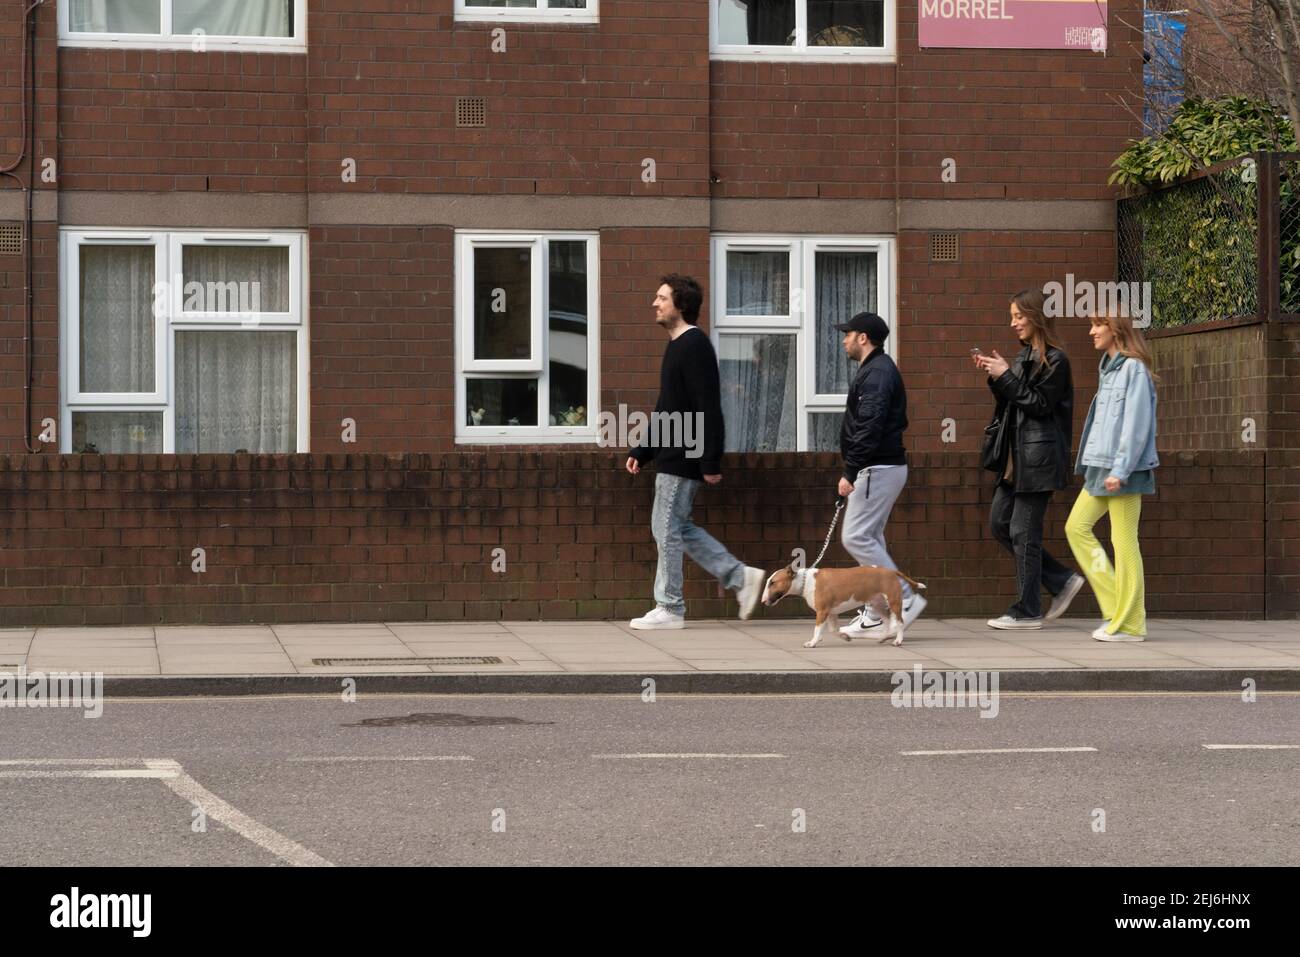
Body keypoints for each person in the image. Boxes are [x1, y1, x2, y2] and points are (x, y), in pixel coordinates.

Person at [625, 274, 765, 630]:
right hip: (673, 452)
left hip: (684, 455)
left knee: (666, 529)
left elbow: (708, 405)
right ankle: (739, 577)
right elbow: (667, 407)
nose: (654, 303)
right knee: (677, 527)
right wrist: (643, 451)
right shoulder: (677, 346)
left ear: (680, 305)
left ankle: (670, 607)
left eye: (661, 298)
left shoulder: (694, 345)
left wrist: (709, 459)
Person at [974, 289, 1085, 630]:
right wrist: (997, 377)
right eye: (1012, 317)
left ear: (1036, 317)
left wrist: (1005, 375)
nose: (1013, 324)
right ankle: (1061, 580)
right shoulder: (1022, 358)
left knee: (1024, 531)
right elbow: (1012, 403)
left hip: (1038, 460)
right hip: (1014, 461)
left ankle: (1027, 609)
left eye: (1019, 317)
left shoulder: (1057, 361)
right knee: (999, 524)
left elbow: (1038, 405)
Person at [1065, 309, 1159, 641]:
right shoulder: (1109, 369)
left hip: (1125, 471)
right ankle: (1115, 605)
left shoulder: (1133, 369)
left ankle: (1131, 623)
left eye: (1097, 325)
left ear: (1116, 330)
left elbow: (1136, 425)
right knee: (1076, 527)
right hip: (1102, 468)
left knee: (1124, 542)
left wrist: (1120, 470)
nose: (1091, 331)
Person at [835, 312, 926, 639]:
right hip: (880, 467)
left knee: (856, 537)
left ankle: (906, 596)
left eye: (848, 334)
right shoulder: (876, 369)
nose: (844, 339)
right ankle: (875, 614)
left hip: (877, 467)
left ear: (863, 338)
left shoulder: (877, 373)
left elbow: (869, 426)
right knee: (870, 539)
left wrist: (851, 470)